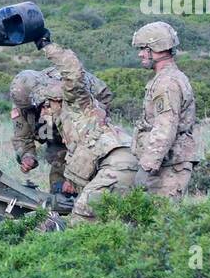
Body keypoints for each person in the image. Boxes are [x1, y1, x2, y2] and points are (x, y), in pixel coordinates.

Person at [36, 40, 138, 225]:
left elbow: (72, 71)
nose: (43, 112)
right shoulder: (65, 124)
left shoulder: (76, 105)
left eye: (46, 105)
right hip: (115, 165)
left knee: (80, 220)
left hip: (117, 164)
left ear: (58, 101)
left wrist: (46, 45)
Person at [10, 66, 114, 193]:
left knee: (87, 176)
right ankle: (61, 205)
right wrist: (27, 156)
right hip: (56, 135)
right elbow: (21, 136)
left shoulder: (66, 92)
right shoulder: (22, 102)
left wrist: (74, 178)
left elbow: (83, 141)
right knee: (58, 172)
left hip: (86, 133)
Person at [131, 21, 201, 198]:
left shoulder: (167, 83)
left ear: (155, 48)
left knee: (161, 219)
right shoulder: (169, 78)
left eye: (143, 49)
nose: (140, 54)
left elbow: (165, 127)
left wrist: (146, 166)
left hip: (169, 166)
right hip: (167, 162)